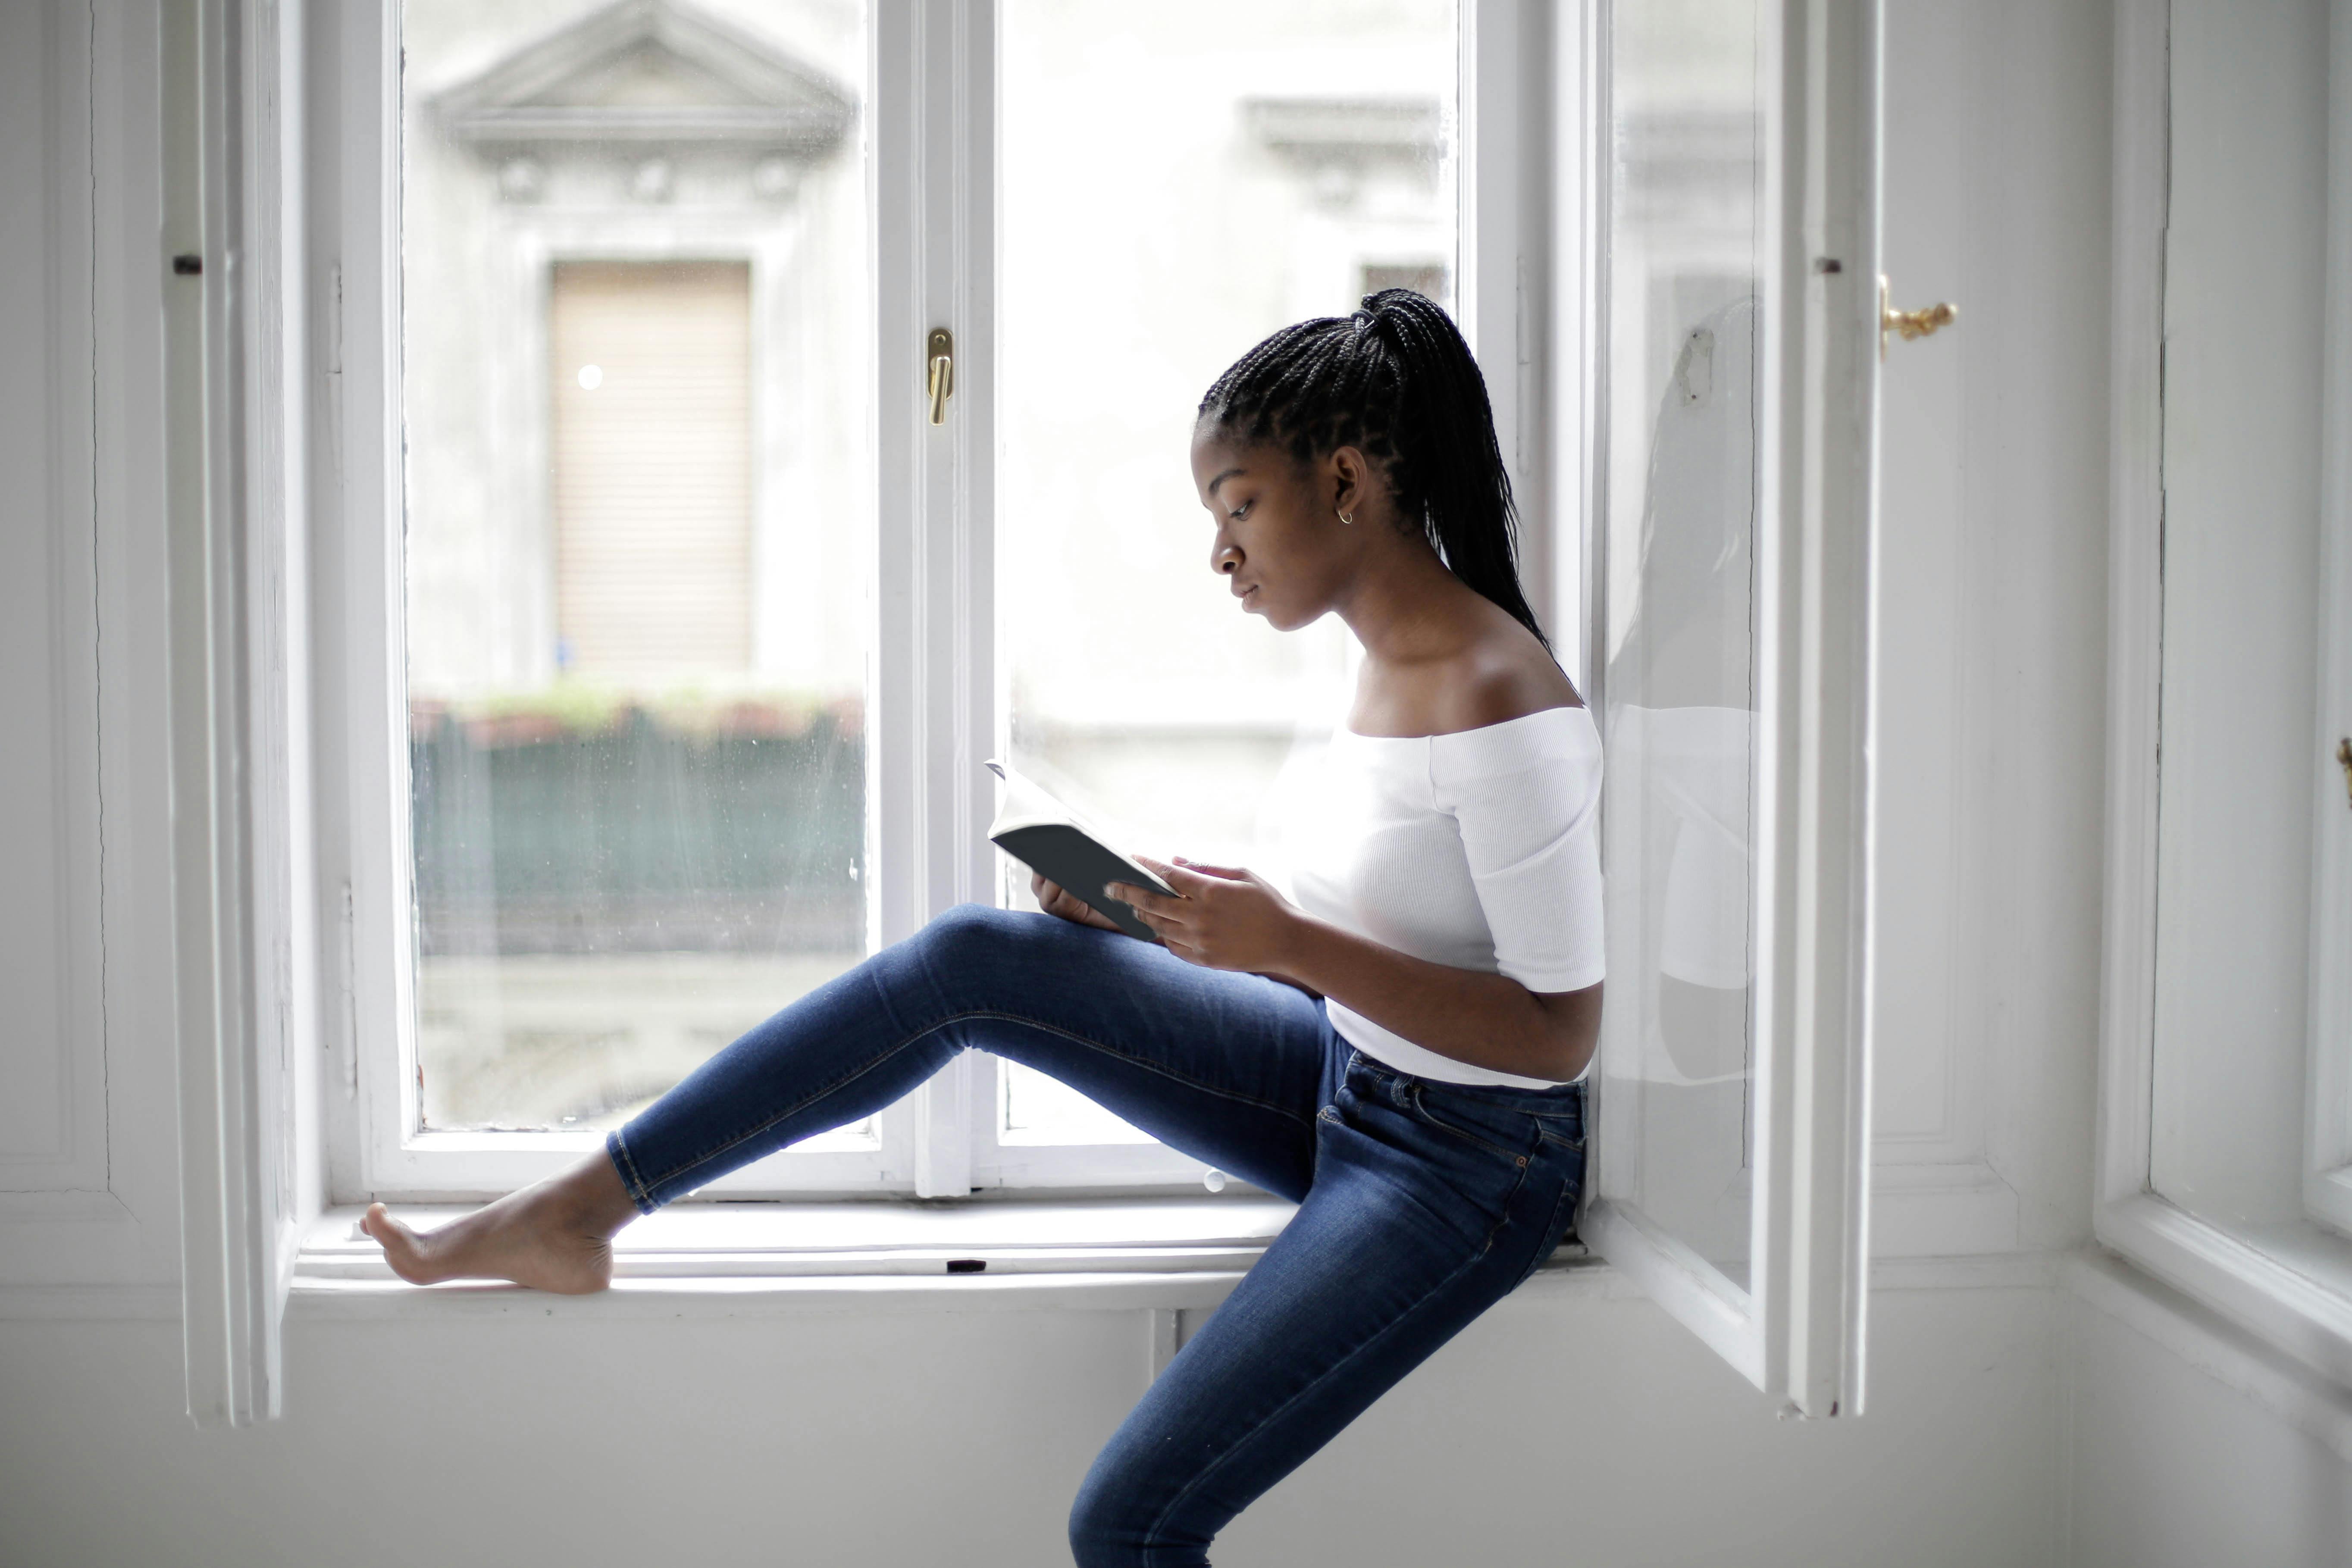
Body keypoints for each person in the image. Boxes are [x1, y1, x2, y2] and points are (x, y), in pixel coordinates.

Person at [362, 288, 1604, 1568]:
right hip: (1342, 1074)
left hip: (1467, 1162)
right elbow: (1388, 908)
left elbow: (1559, 1034)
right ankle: (579, 1209)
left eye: (1239, 505)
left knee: (1128, 1524)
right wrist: (1157, 901)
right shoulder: (1374, 656)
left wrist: (1283, 945)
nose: (1221, 552)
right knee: (975, 961)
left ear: (1345, 482)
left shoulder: (1503, 698)